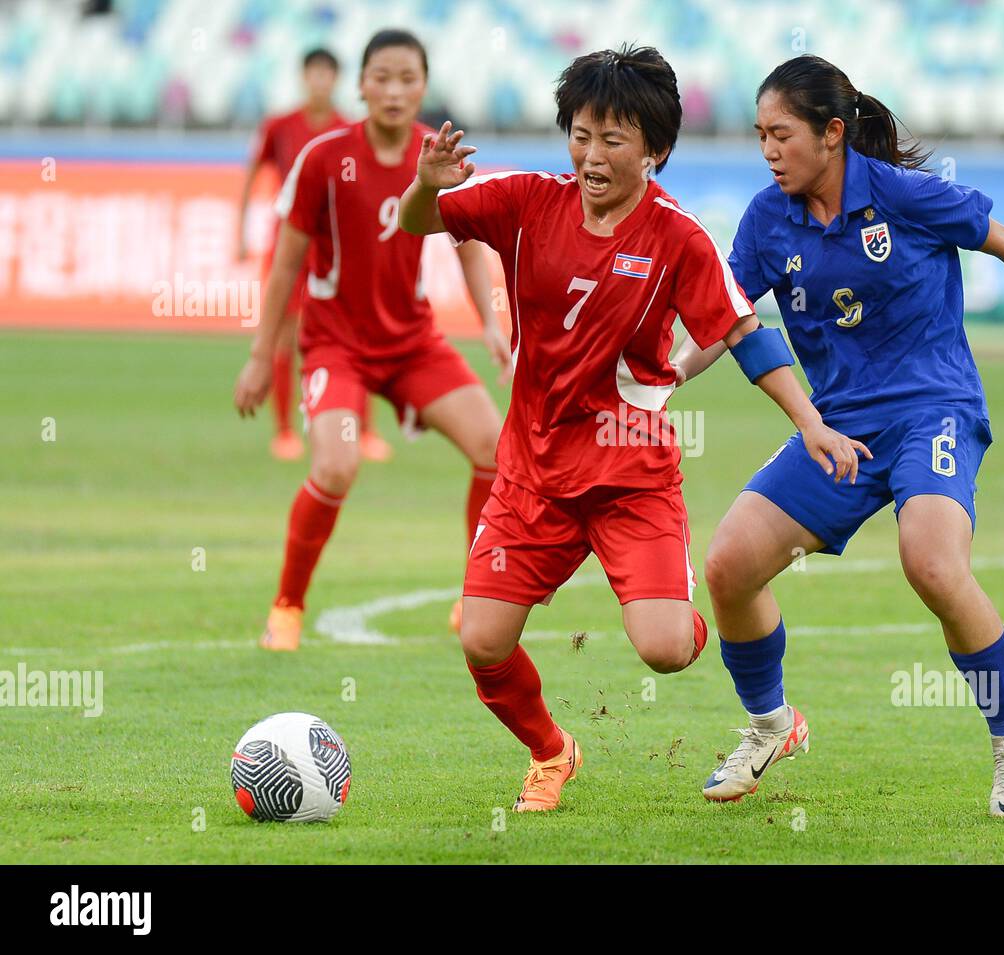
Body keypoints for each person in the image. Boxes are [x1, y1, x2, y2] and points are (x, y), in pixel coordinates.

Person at [671, 55, 1004, 817]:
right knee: (729, 565)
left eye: (782, 133)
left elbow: (999, 238)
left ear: (832, 134)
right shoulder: (768, 220)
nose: (768, 150)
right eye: (759, 134)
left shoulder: (901, 193)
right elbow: (723, 320)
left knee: (931, 562)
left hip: (934, 407)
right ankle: (771, 724)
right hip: (837, 429)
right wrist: (659, 379)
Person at [398, 45, 868, 812]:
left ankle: (710, 644)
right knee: (482, 639)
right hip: (533, 472)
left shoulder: (677, 238)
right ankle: (552, 751)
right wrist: (426, 183)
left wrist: (810, 420)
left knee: (664, 649)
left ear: (655, 150)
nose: (590, 153)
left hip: (629, 477)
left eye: (612, 139)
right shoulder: (522, 199)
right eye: (581, 133)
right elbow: (421, 221)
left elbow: (744, 332)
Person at [234, 29, 509, 651]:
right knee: (336, 463)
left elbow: (465, 242)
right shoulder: (326, 158)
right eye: (381, 77)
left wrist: (490, 324)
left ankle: (473, 594)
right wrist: (260, 354)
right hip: (337, 347)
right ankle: (287, 607)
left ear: (423, 86)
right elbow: (285, 265)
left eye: (407, 78)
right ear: (360, 85)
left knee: (494, 445)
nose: (393, 90)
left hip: (412, 343)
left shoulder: (435, 155)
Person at [236, 47, 390, 462]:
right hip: (289, 243)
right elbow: (253, 171)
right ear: (304, 78)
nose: (320, 81)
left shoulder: (349, 130)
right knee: (283, 331)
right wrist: (240, 231)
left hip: (337, 248)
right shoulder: (280, 126)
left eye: (327, 74)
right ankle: (285, 432)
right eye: (313, 73)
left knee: (356, 333)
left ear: (336, 80)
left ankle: (363, 431)